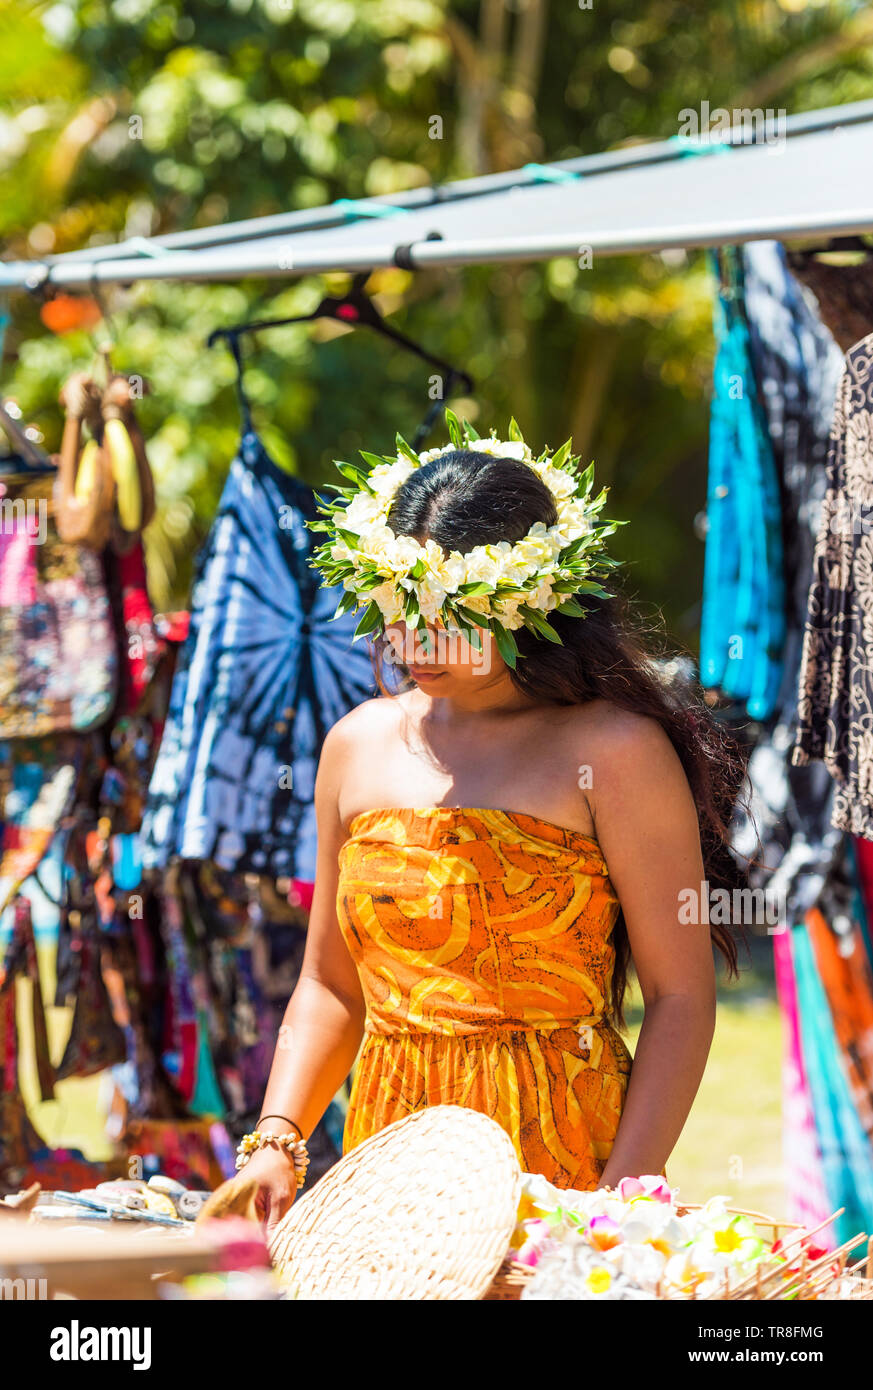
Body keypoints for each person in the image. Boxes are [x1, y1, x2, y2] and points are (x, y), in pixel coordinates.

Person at [239, 419, 746, 1232]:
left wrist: (620, 1201)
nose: (413, 638)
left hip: (566, 1164)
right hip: (391, 1158)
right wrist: (278, 1138)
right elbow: (330, 984)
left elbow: (680, 997)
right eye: (394, 605)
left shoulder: (614, 750)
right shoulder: (356, 744)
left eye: (447, 611)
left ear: (528, 599)